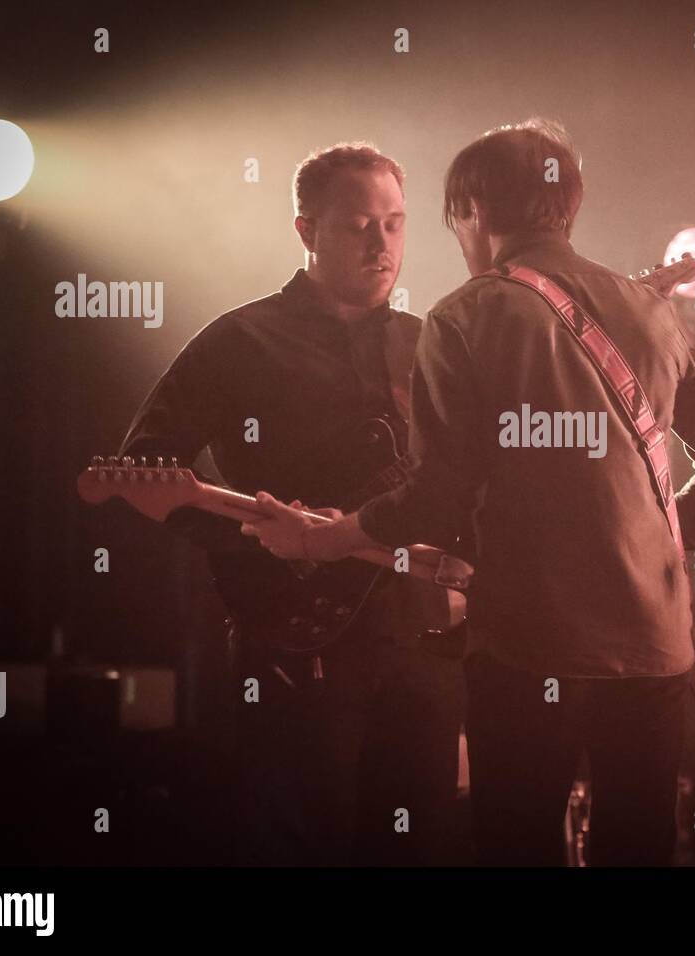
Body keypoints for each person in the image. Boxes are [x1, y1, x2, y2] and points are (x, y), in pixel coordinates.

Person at [243, 119, 695, 866]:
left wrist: (329, 536)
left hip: (528, 649)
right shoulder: (653, 310)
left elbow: (437, 498)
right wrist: (655, 540)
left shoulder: (466, 316)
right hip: (655, 646)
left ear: (475, 211)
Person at [120, 142, 464, 865]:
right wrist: (256, 550)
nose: (382, 244)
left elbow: (472, 482)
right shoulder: (240, 340)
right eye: (358, 225)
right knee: (307, 839)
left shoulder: (432, 344)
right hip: (298, 638)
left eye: (396, 224)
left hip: (425, 640)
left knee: (423, 842)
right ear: (306, 231)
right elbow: (145, 466)